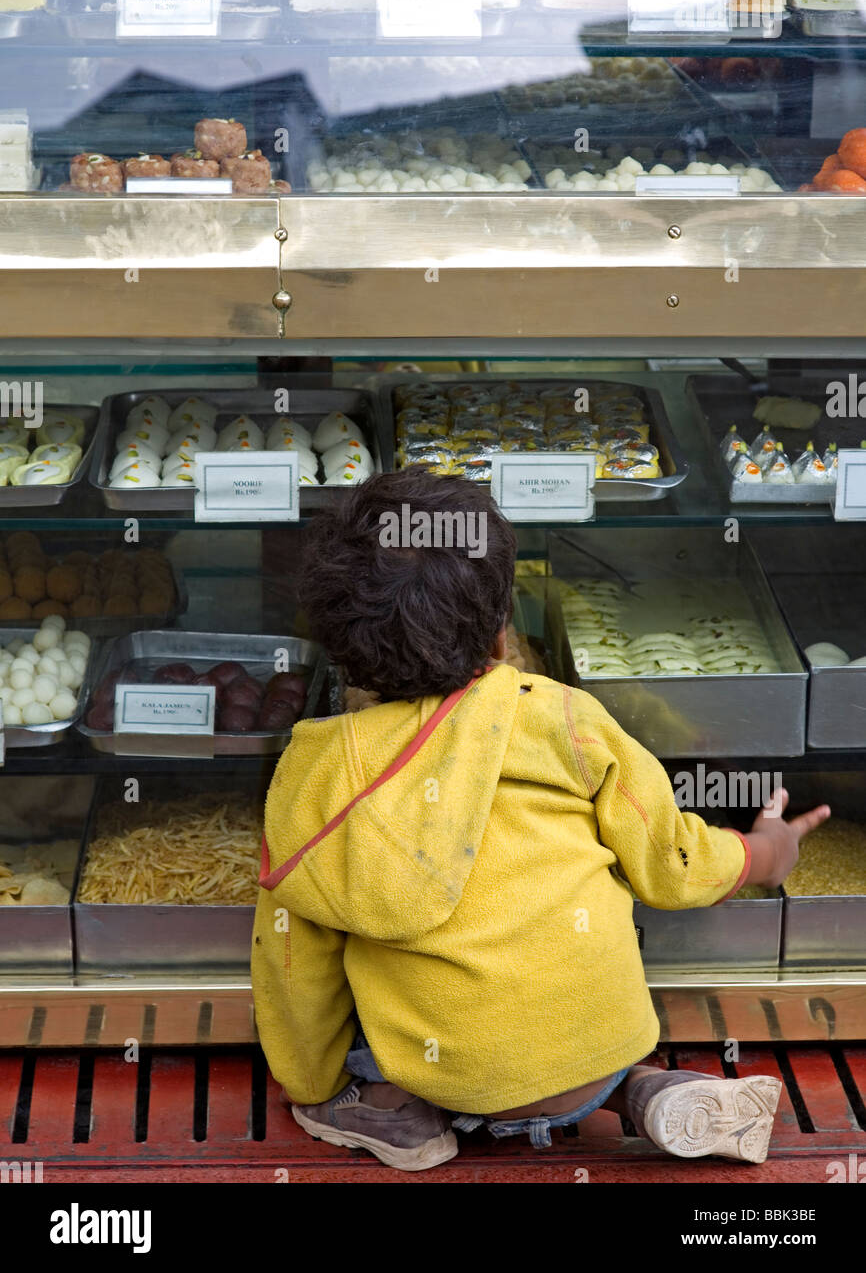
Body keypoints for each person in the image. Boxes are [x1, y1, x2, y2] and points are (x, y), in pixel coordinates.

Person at [251, 467, 830, 1172]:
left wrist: (313, 1085)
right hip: (595, 1046)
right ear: (502, 638)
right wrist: (767, 851)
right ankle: (644, 1090)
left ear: (336, 651)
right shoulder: (563, 718)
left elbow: (295, 960)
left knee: (377, 1042)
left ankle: (401, 1115)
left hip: (449, 1069)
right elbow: (673, 865)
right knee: (585, 1049)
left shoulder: (313, 777)